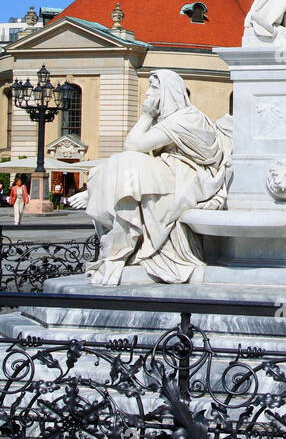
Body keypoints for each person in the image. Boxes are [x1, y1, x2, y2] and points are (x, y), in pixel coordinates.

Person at [71, 70, 231, 285]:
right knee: (107, 168)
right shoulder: (174, 120)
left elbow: (133, 145)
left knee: (128, 162)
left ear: (168, 92)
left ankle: (120, 250)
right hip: (172, 171)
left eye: (154, 88)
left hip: (190, 178)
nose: (148, 93)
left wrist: (146, 115)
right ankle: (100, 199)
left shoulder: (184, 119)